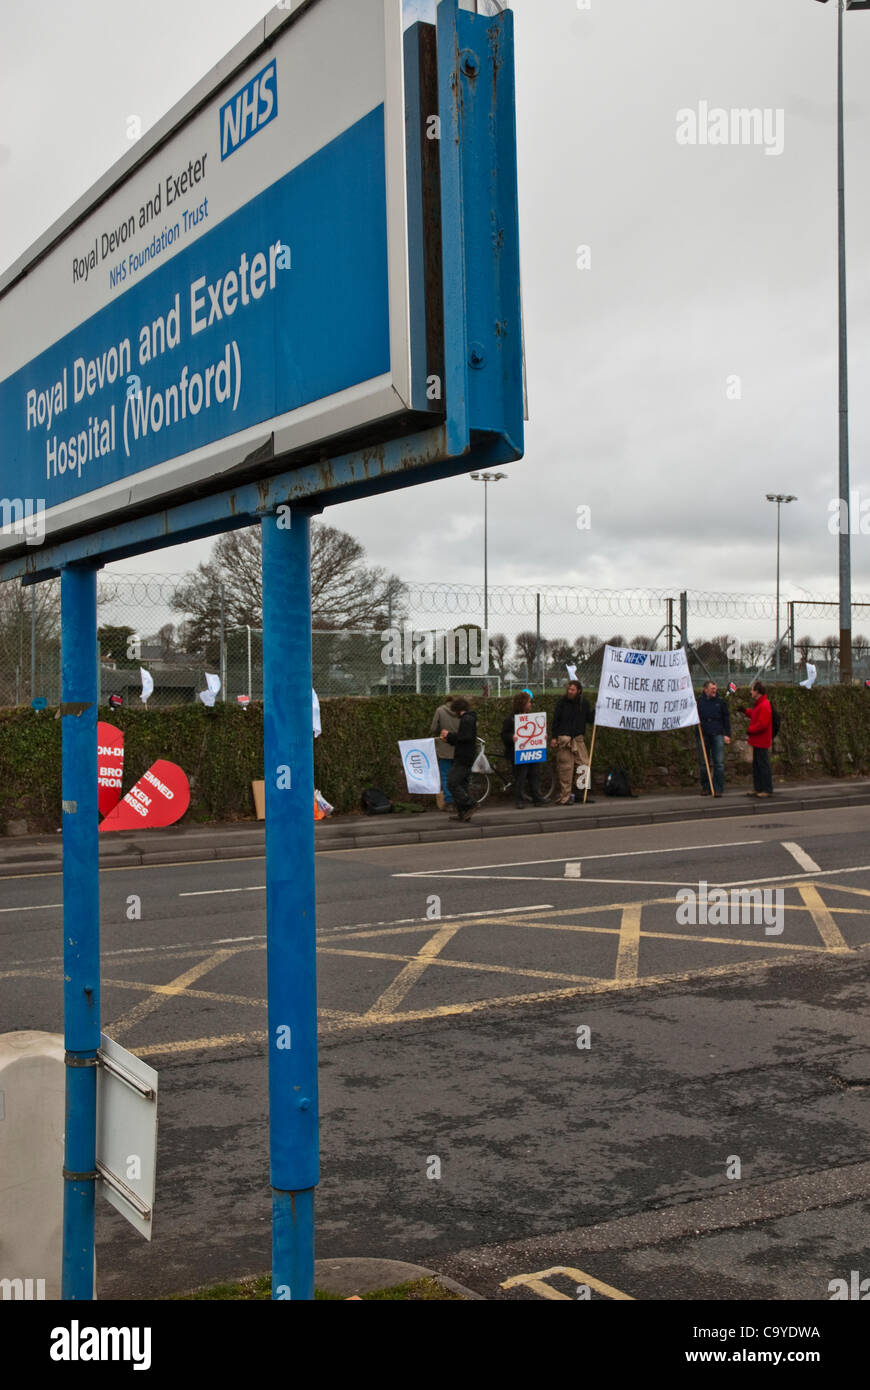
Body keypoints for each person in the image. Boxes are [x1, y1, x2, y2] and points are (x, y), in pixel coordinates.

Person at [551, 680, 594, 805]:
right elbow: (556, 720)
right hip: (564, 740)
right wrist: (554, 737)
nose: (570, 691)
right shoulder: (562, 703)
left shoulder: (584, 704)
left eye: (573, 689)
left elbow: (589, 719)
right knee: (566, 769)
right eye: (569, 689)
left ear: (579, 691)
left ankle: (581, 794)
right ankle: (566, 796)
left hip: (578, 739)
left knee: (584, 767)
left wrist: (597, 709)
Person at [502, 691, 547, 809]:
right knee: (520, 777)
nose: (530, 704)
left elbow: (537, 732)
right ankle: (519, 800)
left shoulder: (531, 718)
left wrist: (543, 736)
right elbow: (504, 735)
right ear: (523, 704)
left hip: (532, 751)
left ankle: (537, 798)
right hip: (518, 753)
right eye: (529, 702)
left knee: (534, 775)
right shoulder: (510, 719)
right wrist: (511, 737)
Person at [440, 697, 479, 822]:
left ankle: (470, 804)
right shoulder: (469, 718)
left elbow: (465, 737)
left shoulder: (466, 719)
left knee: (452, 782)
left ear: (458, 710)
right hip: (466, 755)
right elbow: (463, 739)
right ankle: (463, 813)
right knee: (462, 785)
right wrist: (449, 739)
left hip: (463, 757)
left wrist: (449, 735)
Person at [696, 679, 731, 796]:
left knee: (719, 763)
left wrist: (727, 734)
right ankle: (706, 787)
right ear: (705, 689)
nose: (714, 691)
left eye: (715, 689)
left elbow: (726, 719)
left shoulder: (721, 702)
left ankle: (718, 788)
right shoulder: (699, 702)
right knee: (703, 763)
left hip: (718, 734)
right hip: (704, 735)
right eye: (712, 689)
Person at [741, 680, 773, 798]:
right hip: (757, 740)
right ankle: (758, 788)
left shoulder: (764, 704)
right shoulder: (760, 703)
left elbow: (762, 724)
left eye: (752, 689)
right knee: (757, 765)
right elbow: (755, 714)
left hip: (761, 740)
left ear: (757, 691)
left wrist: (750, 730)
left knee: (763, 765)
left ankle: (767, 789)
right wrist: (745, 711)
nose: (751, 692)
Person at [430, 696, 460, 810]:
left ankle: (449, 801)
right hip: (459, 748)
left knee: (445, 775)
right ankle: (459, 799)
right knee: (458, 775)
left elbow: (433, 728)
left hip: (444, 747)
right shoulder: (461, 711)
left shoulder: (440, 710)